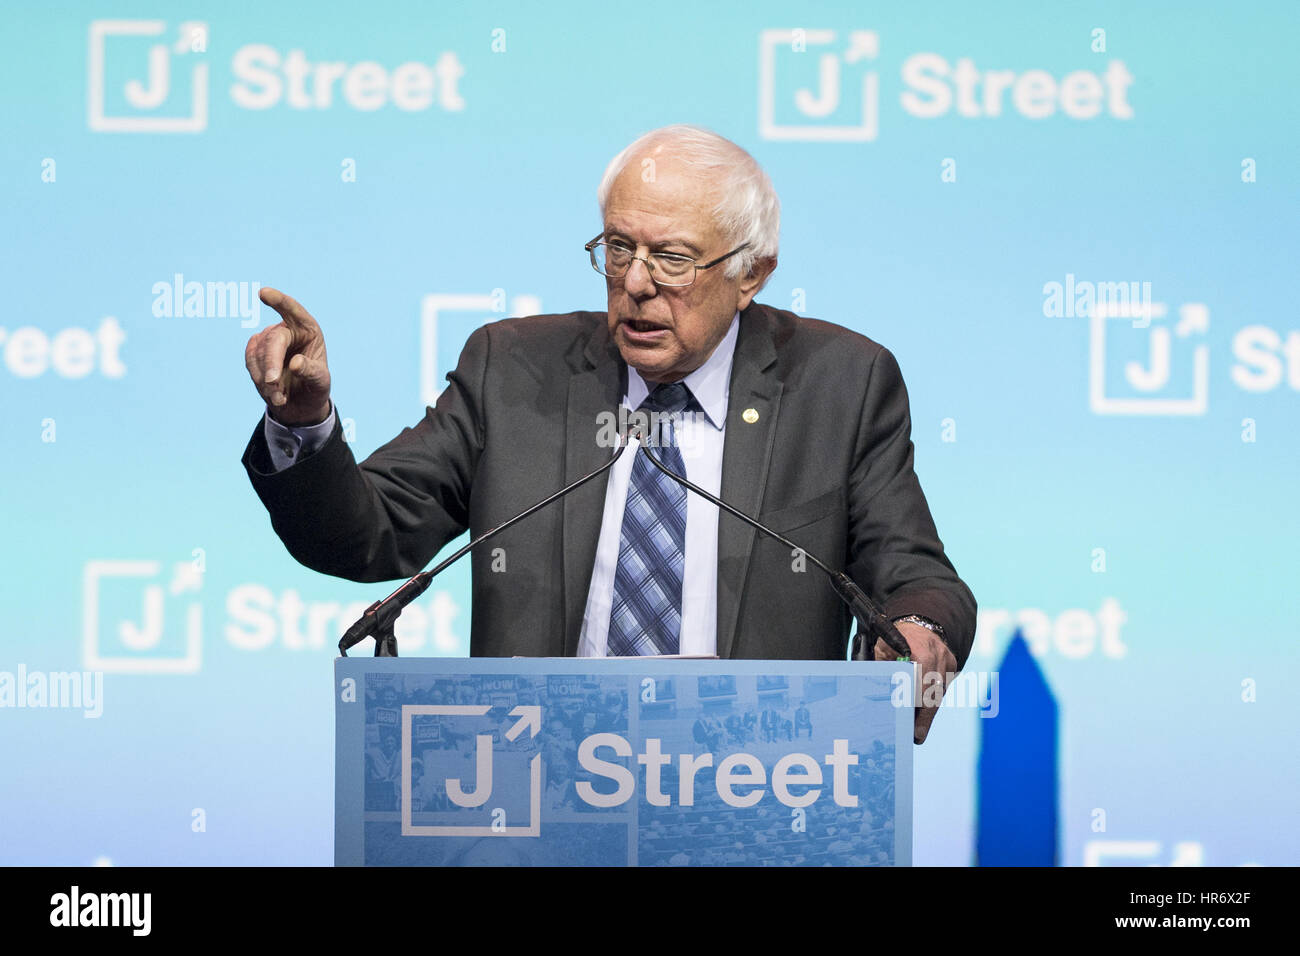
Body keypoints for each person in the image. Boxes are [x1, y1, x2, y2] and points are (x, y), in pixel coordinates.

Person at [242, 124, 975, 743]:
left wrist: (914, 630)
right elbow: (364, 534)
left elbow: (913, 573)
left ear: (753, 273)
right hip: (536, 798)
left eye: (674, 258)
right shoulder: (513, 371)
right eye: (619, 248)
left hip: (755, 787)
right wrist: (303, 423)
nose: (636, 283)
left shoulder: (840, 385)